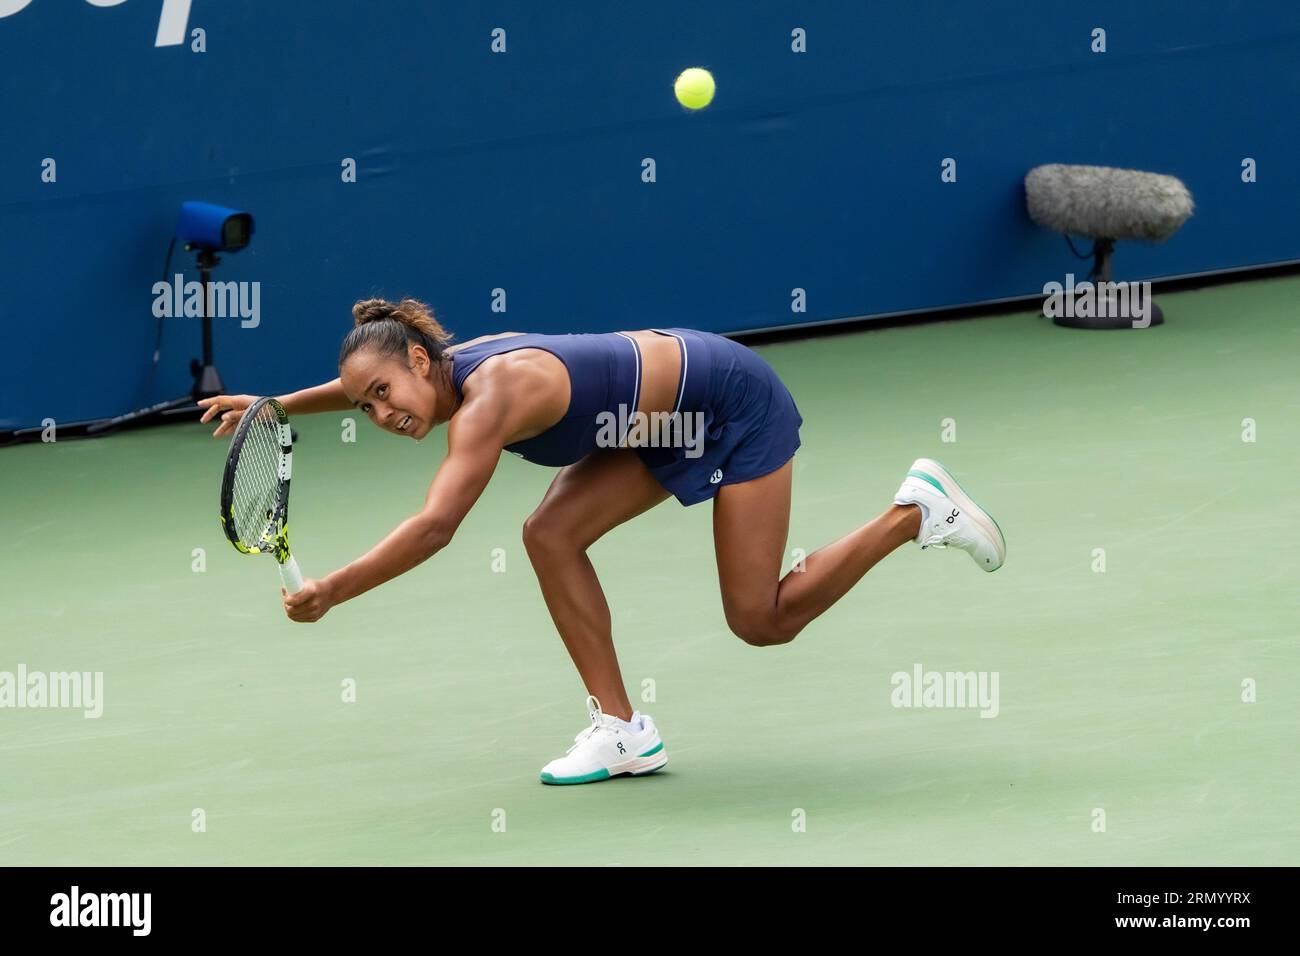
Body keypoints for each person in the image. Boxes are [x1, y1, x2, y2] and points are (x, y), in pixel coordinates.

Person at [200, 297, 1006, 784]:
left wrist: (332, 590)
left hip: (727, 400)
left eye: (384, 395)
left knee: (760, 619)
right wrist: (273, 405)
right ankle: (622, 731)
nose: (380, 416)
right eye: (366, 407)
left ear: (421, 360)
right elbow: (357, 385)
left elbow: (437, 526)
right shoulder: (441, 371)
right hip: (653, 419)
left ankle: (913, 513)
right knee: (550, 532)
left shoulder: (492, 399)